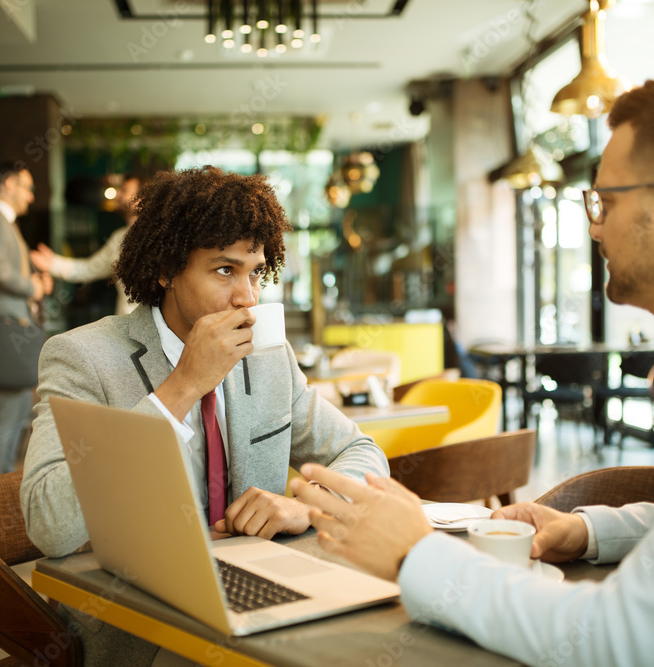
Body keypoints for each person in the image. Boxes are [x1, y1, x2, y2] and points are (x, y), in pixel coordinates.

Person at [292, 64, 654, 666]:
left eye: (604, 201)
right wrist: (589, 530)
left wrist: (415, 555)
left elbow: (624, 643)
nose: (595, 228)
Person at [21, 166, 389, 666]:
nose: (248, 297)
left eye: (255, 271)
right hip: (139, 624)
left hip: (256, 596)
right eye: (224, 270)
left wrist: (311, 508)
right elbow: (49, 524)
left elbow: (361, 452)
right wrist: (181, 388)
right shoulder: (82, 357)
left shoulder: (266, 355)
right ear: (166, 269)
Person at [0, 162, 51, 479]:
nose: (31, 196)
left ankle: (0, 487)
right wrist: (33, 286)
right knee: (4, 418)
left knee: (16, 416)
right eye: (27, 187)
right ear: (7, 185)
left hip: (13, 335)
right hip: (3, 335)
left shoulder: (6, 223)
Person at [29, 174, 141, 315]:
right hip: (127, 327)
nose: (118, 195)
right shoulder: (119, 238)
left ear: (143, 197)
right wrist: (53, 263)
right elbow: (88, 269)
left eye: (124, 190)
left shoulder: (160, 237)